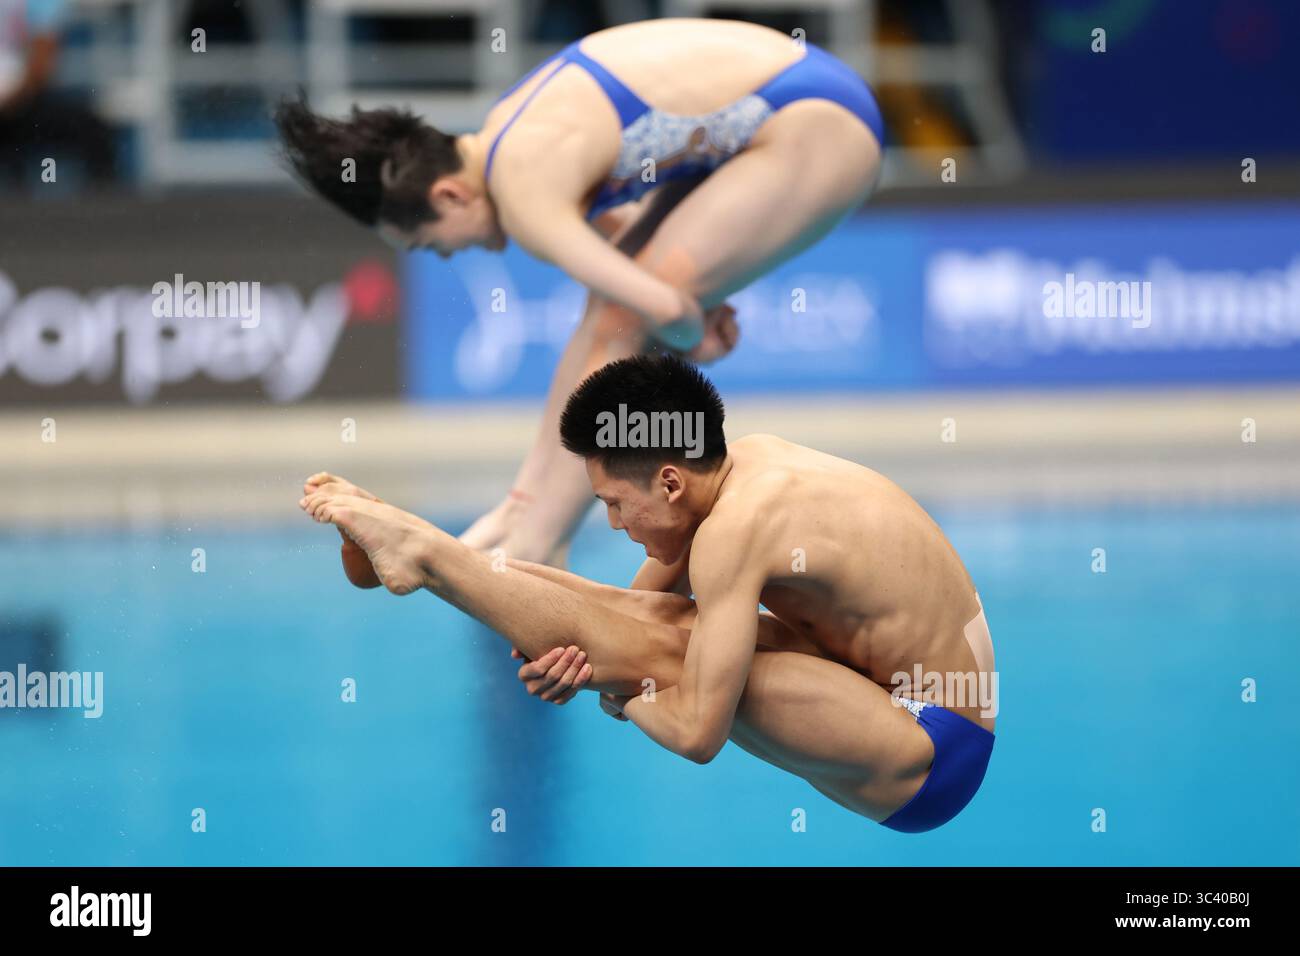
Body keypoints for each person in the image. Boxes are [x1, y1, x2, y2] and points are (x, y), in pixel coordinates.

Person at [277, 17, 884, 567]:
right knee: (610, 308)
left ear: (448, 197)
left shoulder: (521, 187)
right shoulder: (508, 134)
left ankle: (541, 545)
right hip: (790, 106)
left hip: (818, 124)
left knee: (620, 317)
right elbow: (639, 267)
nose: (451, 255)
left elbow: (663, 309)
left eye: (433, 245)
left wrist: (696, 331)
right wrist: (693, 308)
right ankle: (524, 509)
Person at [298, 356, 996, 832]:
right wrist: (596, 663)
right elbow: (629, 613)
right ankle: (421, 543)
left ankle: (423, 553)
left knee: (658, 653)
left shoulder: (737, 528)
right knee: (649, 632)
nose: (613, 523)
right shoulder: (740, 464)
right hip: (894, 692)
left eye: (614, 504)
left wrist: (622, 688)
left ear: (668, 481)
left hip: (931, 751)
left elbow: (696, 734)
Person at [0, 0, 116, 187]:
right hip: (16, 99)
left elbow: (41, 64)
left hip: (23, 101)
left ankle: (103, 208)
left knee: (94, 132)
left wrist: (12, 98)